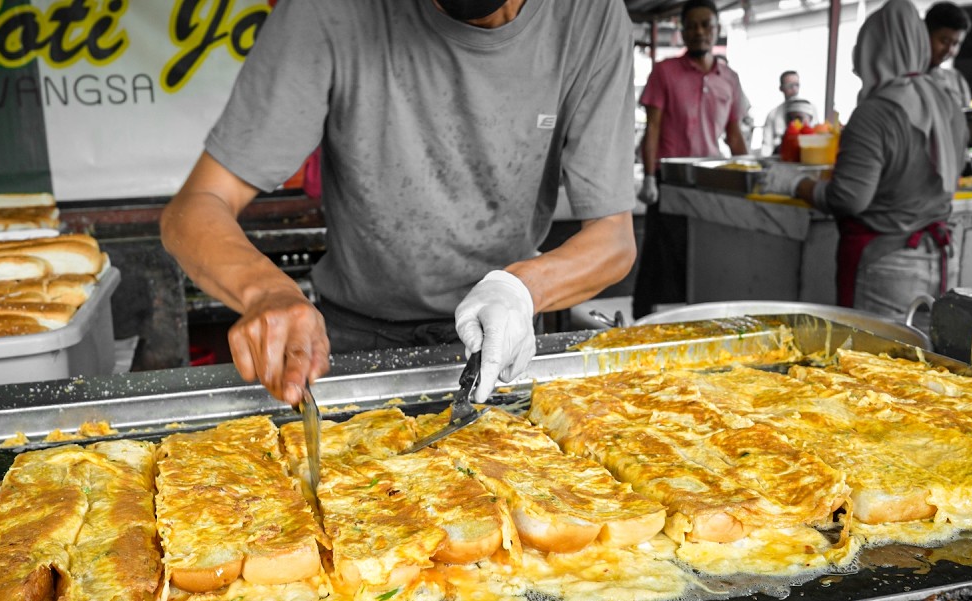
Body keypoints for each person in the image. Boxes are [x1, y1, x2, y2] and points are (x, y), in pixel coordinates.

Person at [161, 0, 637, 406]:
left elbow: (613, 238)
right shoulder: (329, 12)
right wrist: (265, 291)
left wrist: (520, 289)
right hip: (356, 338)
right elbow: (197, 206)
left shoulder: (589, 15)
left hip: (503, 338)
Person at [764, 0, 968, 321]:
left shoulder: (876, 112)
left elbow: (849, 199)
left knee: (873, 366)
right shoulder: (948, 104)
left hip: (886, 264)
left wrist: (795, 184)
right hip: (940, 257)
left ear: (874, 49)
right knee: (921, 366)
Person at [634, 0, 748, 317]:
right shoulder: (665, 72)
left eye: (706, 25)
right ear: (683, 31)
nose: (699, 32)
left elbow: (734, 134)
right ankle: (648, 322)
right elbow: (653, 127)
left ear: (716, 30)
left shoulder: (730, 78)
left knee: (706, 257)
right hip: (668, 183)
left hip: (711, 184)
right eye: (692, 26)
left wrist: (751, 174)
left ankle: (701, 321)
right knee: (662, 259)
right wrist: (648, 177)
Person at [926, 1, 972, 107]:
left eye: (956, 44)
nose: (949, 50)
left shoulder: (957, 80)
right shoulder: (907, 79)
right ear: (926, 35)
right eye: (944, 41)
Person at [761, 71, 819, 156]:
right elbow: (767, 145)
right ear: (781, 88)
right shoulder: (772, 114)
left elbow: (816, 135)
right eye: (790, 85)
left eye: (797, 85)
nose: (794, 89)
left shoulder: (810, 108)